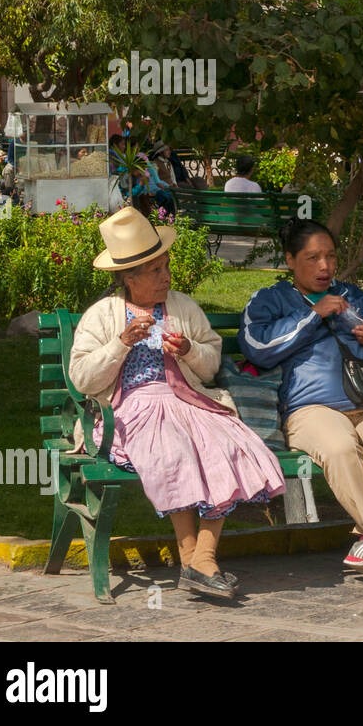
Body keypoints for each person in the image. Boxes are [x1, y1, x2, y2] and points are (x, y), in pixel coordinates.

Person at [69, 208, 285, 599]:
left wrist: (188, 349)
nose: (167, 276)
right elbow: (83, 378)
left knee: (230, 446)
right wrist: (121, 343)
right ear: (128, 278)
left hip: (188, 402)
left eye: (166, 266)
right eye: (155, 271)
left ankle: (200, 559)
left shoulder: (182, 307)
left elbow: (211, 361)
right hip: (130, 411)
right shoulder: (102, 316)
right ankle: (200, 562)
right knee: (174, 450)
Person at [240, 218, 363, 589]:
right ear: (290, 260)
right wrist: (313, 315)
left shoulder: (354, 297)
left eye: (329, 256)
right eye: (312, 258)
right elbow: (258, 349)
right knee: (340, 448)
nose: (325, 266)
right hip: (310, 410)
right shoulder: (270, 299)